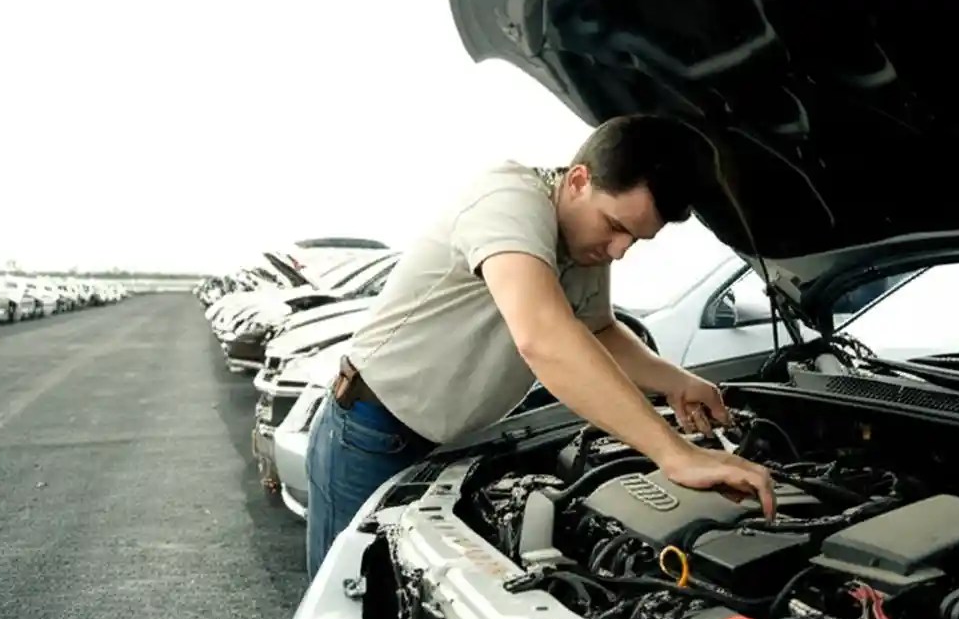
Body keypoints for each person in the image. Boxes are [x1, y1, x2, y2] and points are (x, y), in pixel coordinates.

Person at [304, 114, 777, 578]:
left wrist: (678, 380)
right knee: (355, 595)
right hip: (369, 431)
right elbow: (544, 336)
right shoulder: (506, 200)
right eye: (615, 226)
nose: (618, 250)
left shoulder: (583, 241)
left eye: (635, 239)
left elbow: (598, 331)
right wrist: (674, 453)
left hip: (447, 446)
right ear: (577, 180)